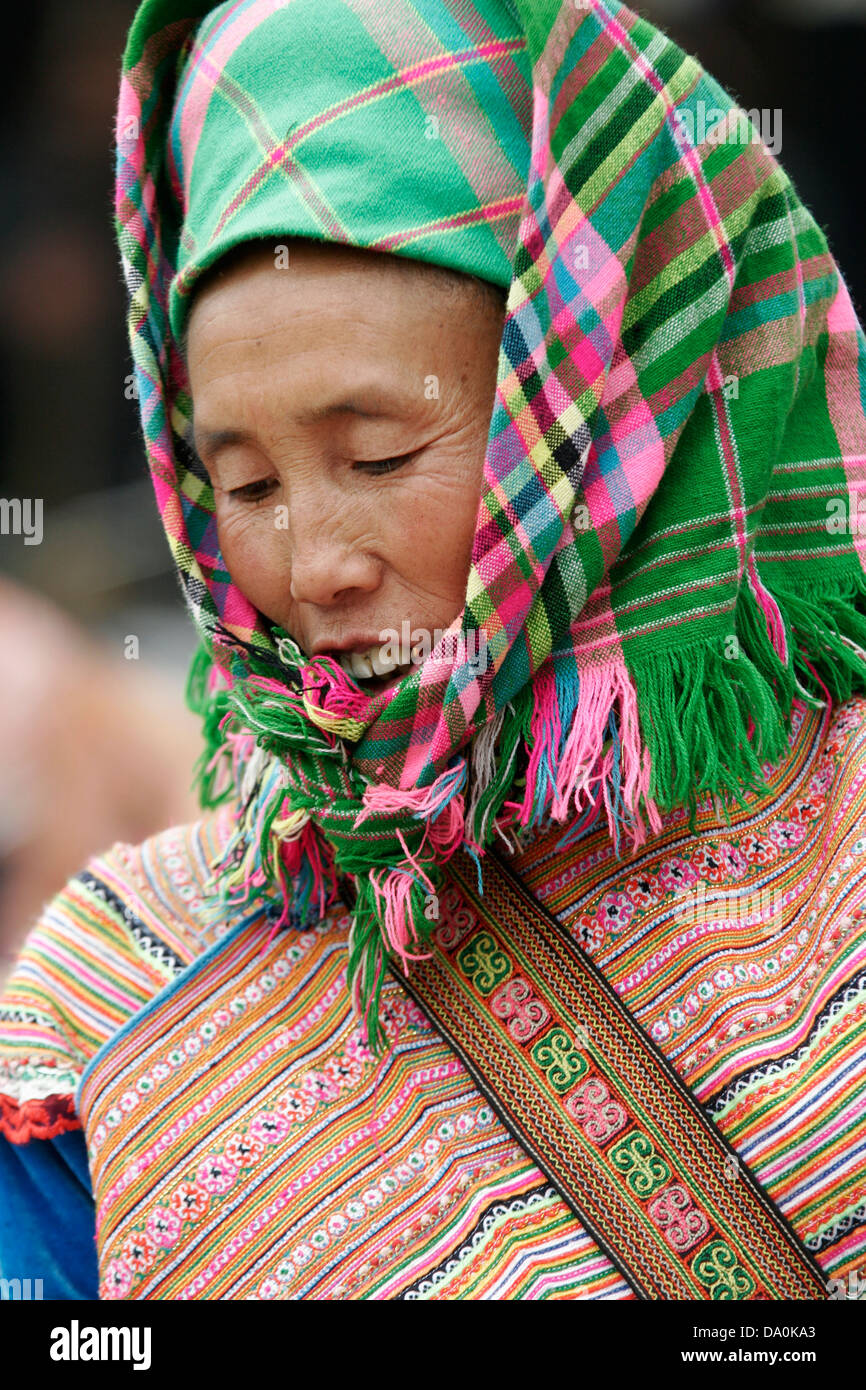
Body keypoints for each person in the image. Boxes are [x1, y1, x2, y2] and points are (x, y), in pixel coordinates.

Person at [2, 0, 865, 1302]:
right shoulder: (114, 985)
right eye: (239, 483)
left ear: (604, 393)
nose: (311, 565)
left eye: (380, 455)